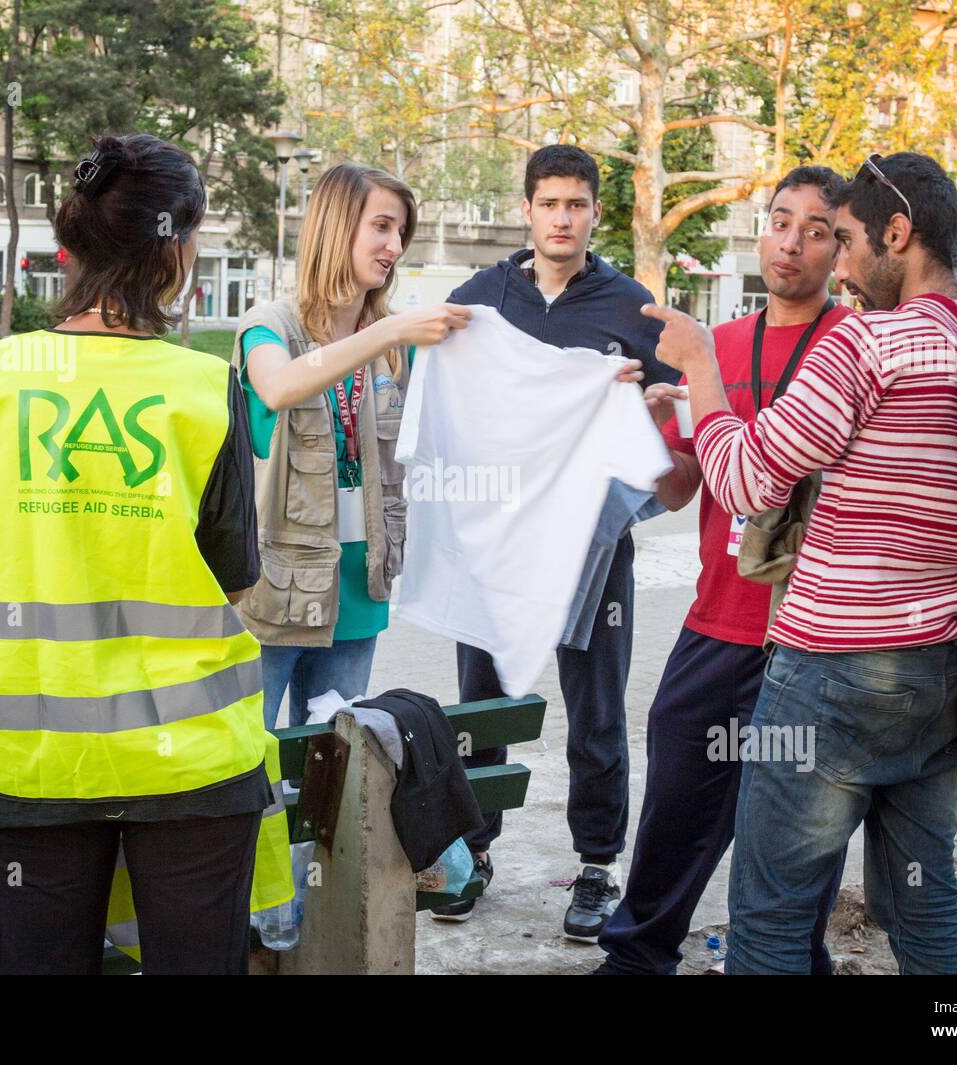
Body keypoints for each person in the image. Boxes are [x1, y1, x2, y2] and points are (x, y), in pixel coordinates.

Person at [647, 151, 957, 974]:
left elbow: (742, 483)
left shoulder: (868, 346)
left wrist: (700, 367)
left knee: (770, 918)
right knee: (923, 904)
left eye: (843, 239)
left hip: (828, 671)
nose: (836, 262)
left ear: (898, 234)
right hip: (940, 673)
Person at [0, 133, 283, 974]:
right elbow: (236, 580)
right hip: (191, 760)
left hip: (30, 758)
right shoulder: (203, 388)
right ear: (173, 248)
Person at [594, 166, 850, 975]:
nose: (793, 242)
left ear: (841, 248)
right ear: (759, 231)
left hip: (814, 637)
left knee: (801, 825)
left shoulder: (854, 349)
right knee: (677, 800)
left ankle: (790, 959)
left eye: (817, 229)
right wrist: (650, 426)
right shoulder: (717, 348)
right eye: (781, 221)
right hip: (719, 623)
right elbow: (677, 490)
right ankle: (637, 955)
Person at [429, 143, 660, 939]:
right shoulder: (479, 300)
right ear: (526, 209)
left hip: (591, 549)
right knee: (482, 705)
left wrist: (648, 394)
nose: (563, 217)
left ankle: (597, 866)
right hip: (493, 547)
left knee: (596, 711)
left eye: (577, 204)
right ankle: (474, 850)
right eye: (550, 202)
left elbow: (671, 420)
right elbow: (438, 388)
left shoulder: (631, 308)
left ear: (596, 212)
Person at [233, 163, 471, 729]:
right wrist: (388, 331)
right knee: (254, 760)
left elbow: (473, 418)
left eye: (401, 233)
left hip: (362, 588)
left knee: (332, 771)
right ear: (337, 227)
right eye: (382, 227)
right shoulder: (268, 326)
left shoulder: (399, 344)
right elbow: (279, 384)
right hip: (275, 588)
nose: (394, 246)